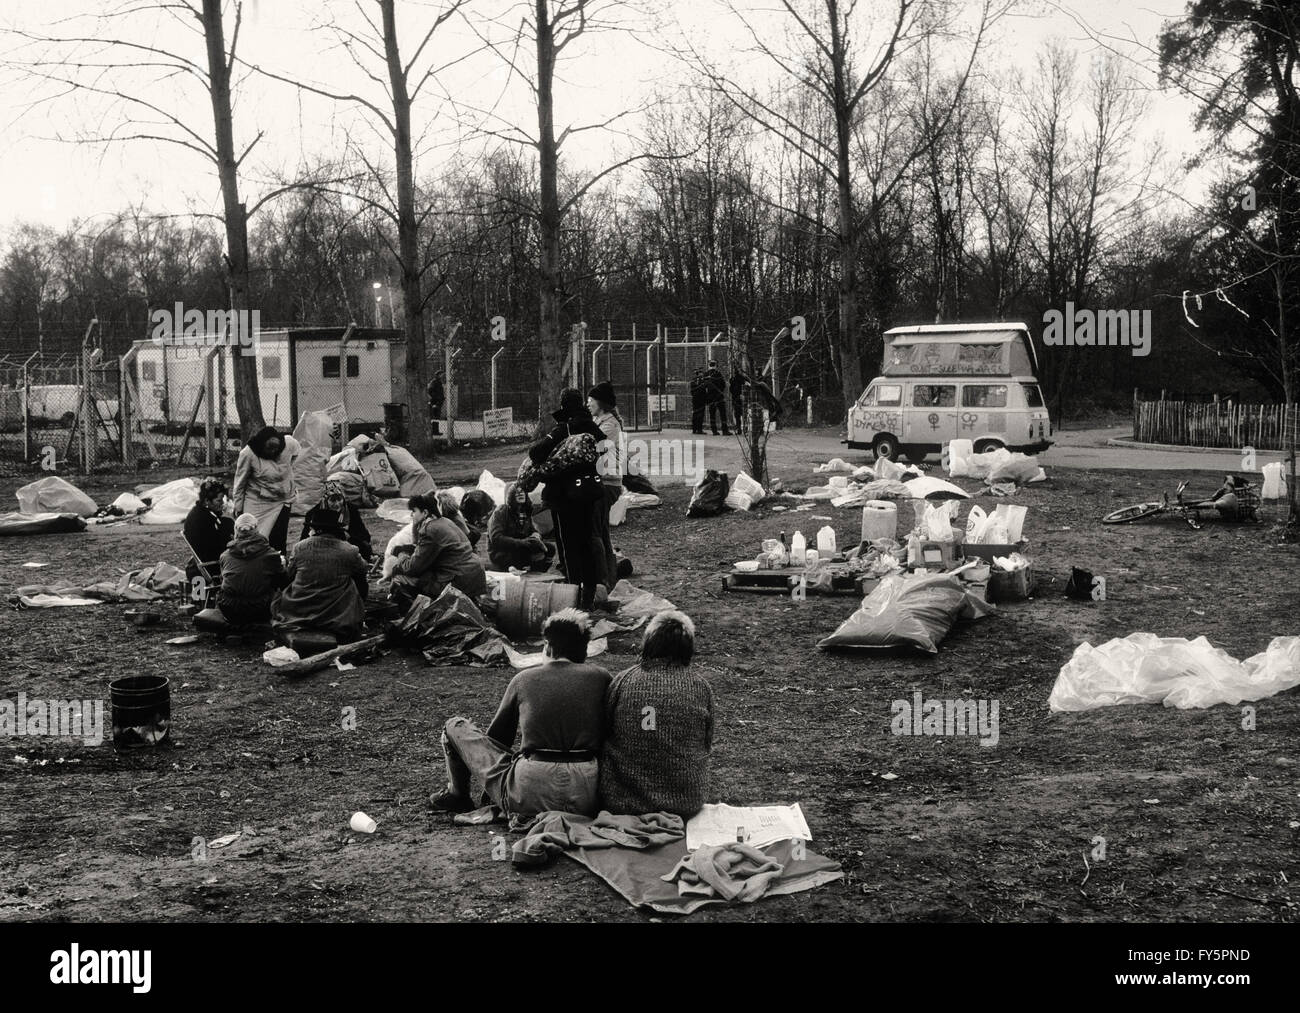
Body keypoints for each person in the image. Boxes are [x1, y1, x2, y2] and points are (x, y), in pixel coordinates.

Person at [431, 609, 611, 819]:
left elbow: (497, 741)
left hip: (528, 792)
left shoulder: (523, 679)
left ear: (548, 647)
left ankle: (457, 795)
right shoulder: (602, 677)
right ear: (584, 650)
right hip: (586, 794)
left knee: (455, 725)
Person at [599, 610, 715, 819]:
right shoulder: (700, 687)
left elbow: (605, 729)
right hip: (685, 800)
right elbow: (706, 742)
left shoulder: (623, 681)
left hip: (622, 799)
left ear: (649, 643)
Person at [529, 388, 606, 610]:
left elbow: (537, 453)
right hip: (589, 493)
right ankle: (589, 595)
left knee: (568, 545)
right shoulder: (592, 428)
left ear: (564, 406)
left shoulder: (565, 429)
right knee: (587, 543)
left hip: (564, 496)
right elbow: (604, 451)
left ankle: (573, 594)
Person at [273, 509, 369, 643]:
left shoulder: (299, 547)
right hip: (337, 613)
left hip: (299, 609)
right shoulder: (349, 550)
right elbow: (363, 569)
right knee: (356, 579)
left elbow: (289, 576)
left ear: (315, 529)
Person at [389, 492, 487, 610]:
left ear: (425, 513)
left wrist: (401, 555)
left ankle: (421, 616)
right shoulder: (445, 521)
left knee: (399, 578)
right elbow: (419, 545)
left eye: (414, 511)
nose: (411, 515)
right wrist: (415, 524)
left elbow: (413, 568)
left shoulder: (430, 530)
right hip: (473, 576)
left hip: (456, 581)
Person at [232, 426, 301, 553]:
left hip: (282, 499)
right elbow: (240, 482)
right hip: (258, 500)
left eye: (276, 448)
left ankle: (277, 563)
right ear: (261, 445)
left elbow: (297, 452)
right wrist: (238, 507)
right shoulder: (248, 454)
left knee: (278, 538)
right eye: (270, 448)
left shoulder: (289, 443)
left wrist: (288, 471)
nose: (274, 451)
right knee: (252, 538)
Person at [217, 512, 289, 628]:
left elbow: (224, 581)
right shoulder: (270, 555)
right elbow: (282, 582)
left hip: (229, 610)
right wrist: (282, 566)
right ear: (256, 530)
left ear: (236, 531)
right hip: (259, 609)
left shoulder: (225, 556)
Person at [587, 381, 622, 590]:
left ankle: (602, 580)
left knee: (596, 533)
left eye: (590, 400)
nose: (587, 403)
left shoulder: (610, 425)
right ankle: (608, 577)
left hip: (608, 483)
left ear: (600, 402)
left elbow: (593, 444)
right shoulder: (598, 420)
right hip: (602, 481)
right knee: (601, 532)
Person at [300, 479, 373, 561]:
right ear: (325, 500)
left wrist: (349, 536)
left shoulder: (351, 510)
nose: (337, 504)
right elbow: (303, 539)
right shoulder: (314, 513)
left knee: (365, 548)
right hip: (322, 547)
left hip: (344, 546)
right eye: (333, 500)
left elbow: (365, 536)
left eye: (339, 499)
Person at [487, 481, 553, 572]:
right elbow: (496, 538)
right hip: (503, 551)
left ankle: (536, 572)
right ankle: (523, 569)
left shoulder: (525, 511)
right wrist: (522, 542)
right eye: (516, 492)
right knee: (524, 553)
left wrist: (536, 535)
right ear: (511, 495)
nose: (520, 493)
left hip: (521, 546)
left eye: (522, 491)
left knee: (550, 549)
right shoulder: (501, 511)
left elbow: (532, 529)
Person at [182, 477, 234, 588]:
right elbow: (216, 546)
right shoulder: (203, 519)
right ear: (207, 501)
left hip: (200, 563)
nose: (222, 504)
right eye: (219, 501)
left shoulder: (200, 513)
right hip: (210, 565)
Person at [704, 360, 730, 435]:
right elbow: (723, 384)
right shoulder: (718, 374)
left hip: (710, 398)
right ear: (715, 365)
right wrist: (720, 391)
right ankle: (725, 430)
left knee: (712, 414)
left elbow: (704, 386)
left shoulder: (706, 374)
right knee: (723, 413)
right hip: (719, 397)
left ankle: (714, 430)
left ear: (709, 365)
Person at [689, 368, 706, 435]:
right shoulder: (702, 381)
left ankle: (694, 429)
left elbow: (692, 391)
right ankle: (699, 429)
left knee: (695, 414)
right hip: (701, 400)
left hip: (695, 399)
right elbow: (703, 390)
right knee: (700, 415)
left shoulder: (693, 381)